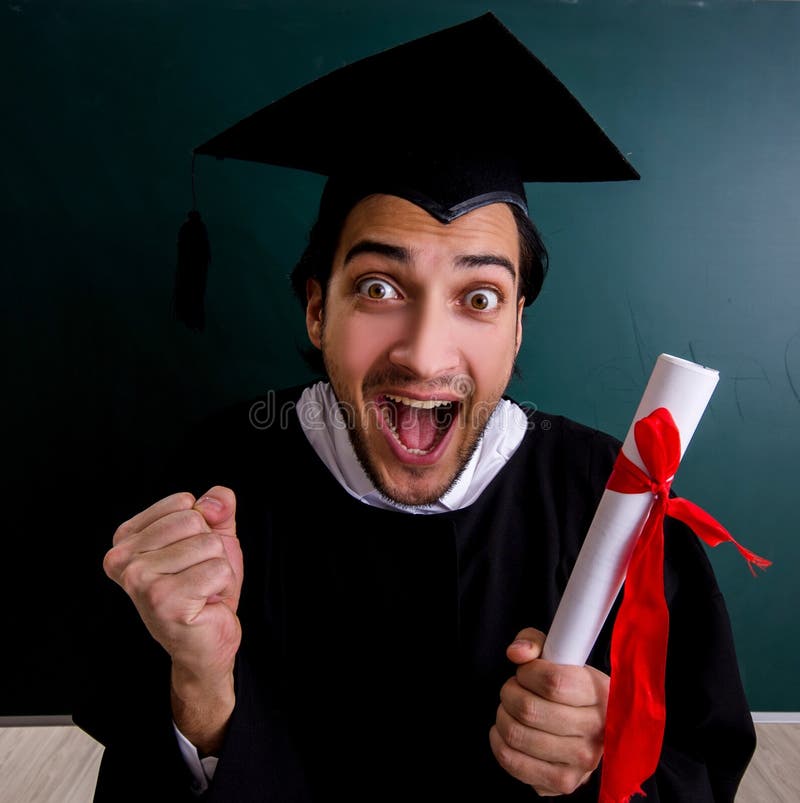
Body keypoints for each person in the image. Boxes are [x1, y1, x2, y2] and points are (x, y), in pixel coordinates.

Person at [73, 12, 756, 802]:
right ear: (316, 310)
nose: (425, 353)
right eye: (378, 287)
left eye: (478, 295)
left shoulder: (608, 497)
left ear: (518, 326)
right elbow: (133, 762)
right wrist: (200, 688)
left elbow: (703, 767)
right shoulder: (217, 481)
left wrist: (613, 758)